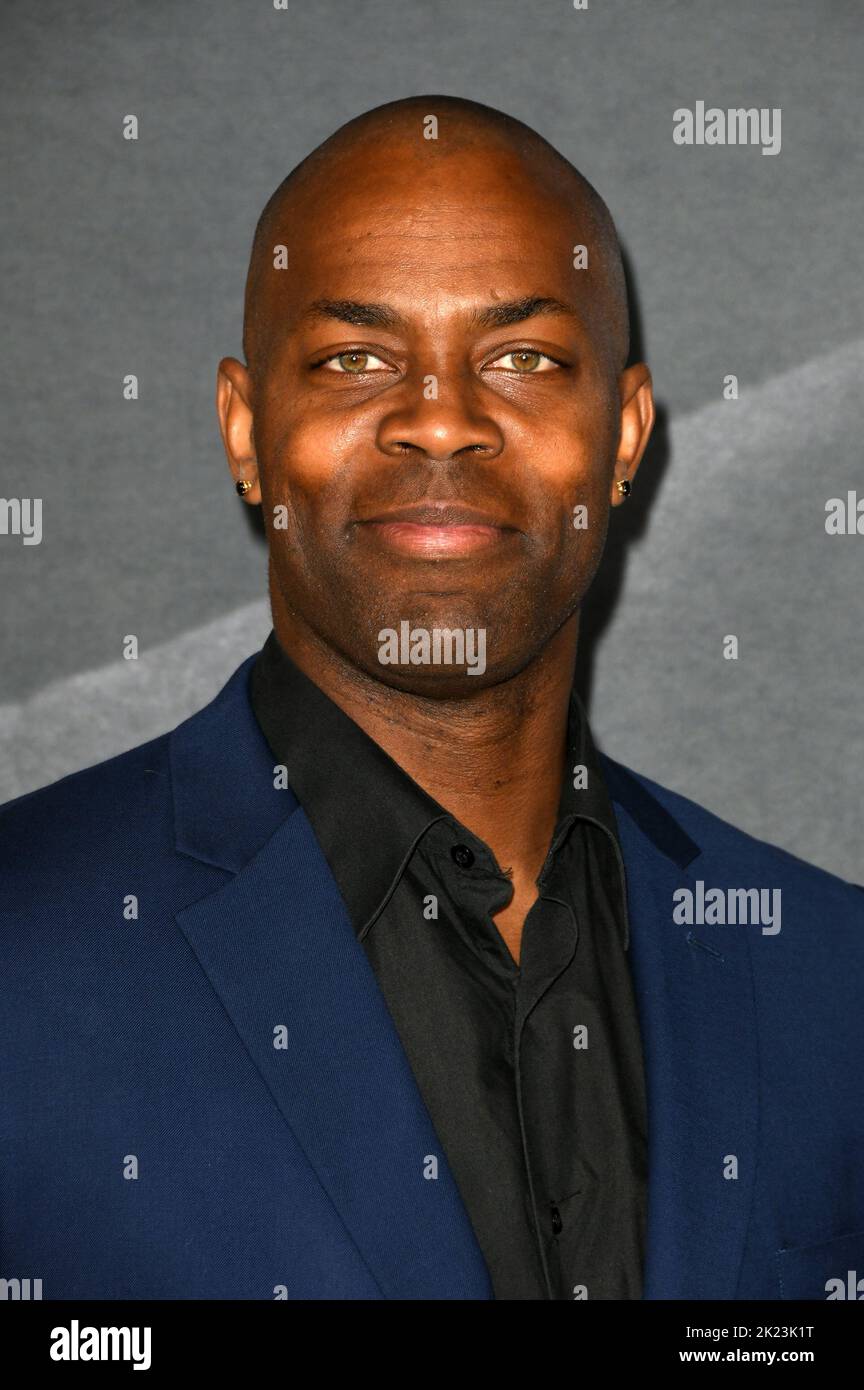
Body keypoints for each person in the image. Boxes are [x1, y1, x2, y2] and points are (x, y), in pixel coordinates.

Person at [2, 95, 862, 1302]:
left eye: (523, 358)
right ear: (247, 432)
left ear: (624, 434)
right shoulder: (23, 955)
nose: (442, 419)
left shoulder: (831, 971)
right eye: (357, 357)